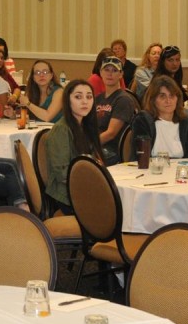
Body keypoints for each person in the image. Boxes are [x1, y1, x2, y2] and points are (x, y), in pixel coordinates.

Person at [43, 79, 104, 215]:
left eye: (89, 97)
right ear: (67, 101)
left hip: (84, 187)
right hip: (67, 195)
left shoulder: (85, 126)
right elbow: (62, 173)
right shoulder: (61, 129)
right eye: (78, 97)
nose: (85, 101)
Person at [131, 75, 188, 159]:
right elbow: (139, 156)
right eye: (162, 96)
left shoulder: (187, 121)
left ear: (177, 98)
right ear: (153, 99)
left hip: (181, 169)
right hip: (152, 169)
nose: (168, 101)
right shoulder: (143, 120)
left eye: (172, 96)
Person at [94, 56, 137, 166]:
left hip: (111, 150)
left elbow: (111, 133)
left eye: (114, 71)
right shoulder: (98, 98)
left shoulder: (124, 100)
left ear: (121, 74)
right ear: (101, 72)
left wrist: (88, 144)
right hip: (97, 146)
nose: (110, 74)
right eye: (106, 70)